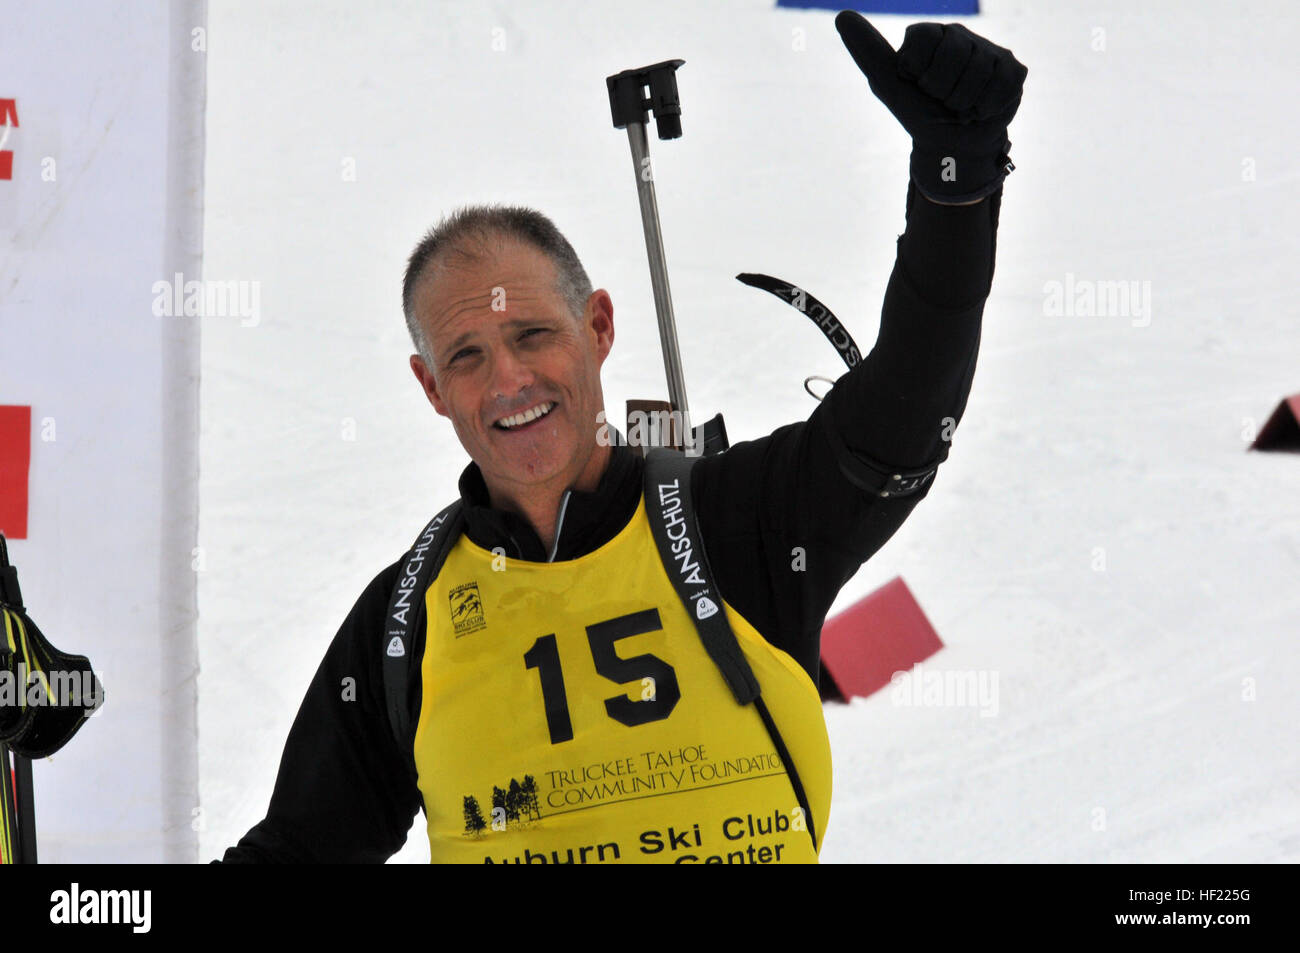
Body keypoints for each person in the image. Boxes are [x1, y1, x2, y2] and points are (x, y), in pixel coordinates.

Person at [218, 13, 1025, 864]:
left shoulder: (738, 524)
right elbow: (296, 854)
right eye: (467, 355)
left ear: (597, 326)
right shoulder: (406, 622)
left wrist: (955, 187)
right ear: (430, 387)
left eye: (533, 335)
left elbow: (901, 420)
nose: (509, 383)